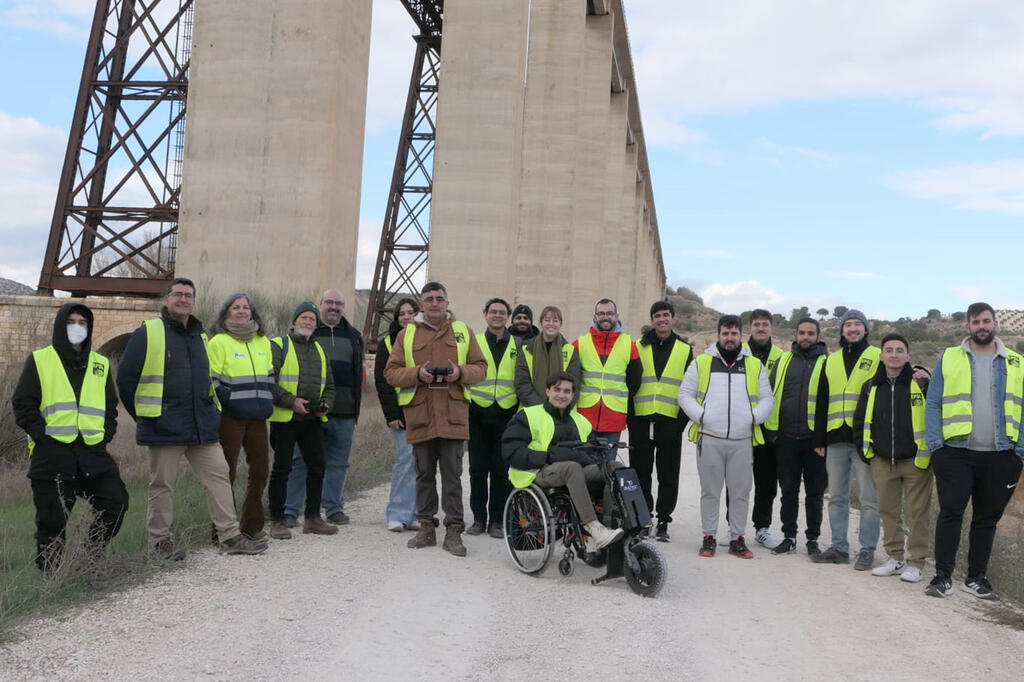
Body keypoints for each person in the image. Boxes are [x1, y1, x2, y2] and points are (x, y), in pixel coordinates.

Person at [117, 277, 267, 558]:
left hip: (201, 426)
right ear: (167, 299)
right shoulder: (149, 332)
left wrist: (212, 413)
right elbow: (126, 379)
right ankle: (160, 543)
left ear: (194, 301)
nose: (183, 299)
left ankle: (230, 536)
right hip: (164, 427)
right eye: (178, 295)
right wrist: (145, 417)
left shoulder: (199, 336)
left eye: (188, 295)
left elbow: (206, 380)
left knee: (220, 475)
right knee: (162, 485)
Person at [12, 302, 129, 572]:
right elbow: (23, 404)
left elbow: (110, 406)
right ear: (60, 325)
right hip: (51, 455)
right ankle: (52, 583)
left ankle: (88, 561)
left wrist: (105, 435)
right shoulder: (40, 360)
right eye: (71, 321)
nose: (77, 327)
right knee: (52, 524)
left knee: (116, 502)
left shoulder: (100, 364)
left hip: (92, 453)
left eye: (83, 323)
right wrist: (42, 436)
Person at [923, 302, 1024, 600]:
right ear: (967, 326)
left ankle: (976, 578)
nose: (982, 326)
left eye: (987, 321)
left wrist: (1020, 451)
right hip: (955, 452)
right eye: (976, 322)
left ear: (995, 324)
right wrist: (936, 445)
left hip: (1002, 454)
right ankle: (942, 576)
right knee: (951, 513)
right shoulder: (950, 357)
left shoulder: (1016, 361)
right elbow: (934, 401)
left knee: (987, 518)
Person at [384, 282, 487, 557]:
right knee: (424, 475)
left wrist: (460, 373)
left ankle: (454, 531)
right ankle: (426, 528)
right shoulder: (407, 335)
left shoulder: (464, 332)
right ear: (421, 304)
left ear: (447, 302)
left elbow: (481, 369)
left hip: (453, 416)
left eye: (439, 298)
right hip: (421, 415)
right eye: (429, 299)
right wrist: (417, 373)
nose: (434, 303)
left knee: (453, 476)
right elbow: (391, 373)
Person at [678, 314, 773, 559]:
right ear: (718, 335)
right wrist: (702, 416)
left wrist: (753, 418)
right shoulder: (701, 362)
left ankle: (737, 538)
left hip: (742, 439)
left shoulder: (754, 364)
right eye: (725, 334)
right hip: (710, 437)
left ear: (740, 335)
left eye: (734, 334)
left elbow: (767, 399)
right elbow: (685, 395)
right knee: (710, 492)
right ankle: (708, 537)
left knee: (740, 492)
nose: (729, 338)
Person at [501, 371, 624, 549]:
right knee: (571, 467)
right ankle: (594, 528)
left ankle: (610, 523)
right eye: (557, 390)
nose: (561, 395)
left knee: (613, 467)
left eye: (567, 391)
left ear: (573, 395)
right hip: (538, 471)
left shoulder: (581, 421)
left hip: (572, 474)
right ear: (547, 391)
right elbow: (511, 451)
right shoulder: (528, 415)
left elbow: (593, 455)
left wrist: (595, 455)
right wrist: (548, 456)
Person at [853, 333, 932, 584]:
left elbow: (933, 417)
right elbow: (859, 420)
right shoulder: (871, 386)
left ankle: (916, 562)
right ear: (882, 355)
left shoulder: (921, 384)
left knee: (917, 513)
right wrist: (866, 452)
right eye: (889, 350)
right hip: (882, 460)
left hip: (915, 460)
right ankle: (894, 557)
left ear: (908, 356)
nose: (894, 354)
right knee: (888, 511)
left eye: (900, 350)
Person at [284, 289, 365, 527]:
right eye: (329, 302)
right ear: (320, 304)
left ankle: (334, 508)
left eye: (338, 303)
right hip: (311, 412)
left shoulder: (353, 335)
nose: (334, 307)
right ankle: (291, 510)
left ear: (343, 307)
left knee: (339, 462)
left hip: (345, 411)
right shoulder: (308, 331)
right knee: (301, 461)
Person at [811, 309, 881, 570]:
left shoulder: (877, 356)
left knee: (868, 498)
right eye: (848, 325)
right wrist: (819, 438)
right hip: (835, 438)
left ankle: (867, 549)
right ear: (841, 330)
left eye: (857, 324)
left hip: (865, 438)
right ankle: (839, 547)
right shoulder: (831, 360)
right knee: (837, 496)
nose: (852, 329)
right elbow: (821, 400)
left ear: (865, 329)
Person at [267, 302, 337, 539]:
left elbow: (330, 385)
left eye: (312, 319)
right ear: (294, 320)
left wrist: (326, 404)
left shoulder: (320, 349)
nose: (308, 322)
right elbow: (270, 382)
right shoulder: (278, 345)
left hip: (312, 420)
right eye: (304, 318)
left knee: (318, 466)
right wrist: (291, 401)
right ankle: (277, 520)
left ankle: (313, 518)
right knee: (282, 469)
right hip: (285, 418)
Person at [207, 293, 274, 543]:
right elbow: (211, 380)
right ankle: (222, 532)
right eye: (236, 307)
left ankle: (251, 527)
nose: (242, 311)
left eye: (246, 307)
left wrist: (268, 400)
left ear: (252, 312)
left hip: (258, 417)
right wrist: (231, 401)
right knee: (227, 473)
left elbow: (269, 377)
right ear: (227, 313)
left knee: (260, 471)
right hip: (230, 418)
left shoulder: (262, 342)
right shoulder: (219, 342)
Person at [627, 300, 693, 542]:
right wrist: (630, 419)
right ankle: (644, 519)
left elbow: (690, 388)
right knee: (640, 473)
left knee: (668, 475)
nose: (662, 319)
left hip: (669, 423)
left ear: (673, 318)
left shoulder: (685, 350)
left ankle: (664, 520)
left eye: (666, 315)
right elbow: (629, 384)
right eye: (657, 316)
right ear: (652, 319)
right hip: (641, 422)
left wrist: (680, 422)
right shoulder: (637, 346)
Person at [763, 317, 828, 557]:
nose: (806, 337)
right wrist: (773, 434)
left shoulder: (827, 363)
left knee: (814, 494)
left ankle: (812, 540)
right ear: (795, 335)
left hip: (815, 441)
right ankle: (789, 536)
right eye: (802, 333)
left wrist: (823, 439)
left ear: (818, 337)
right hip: (786, 439)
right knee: (788, 491)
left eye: (811, 333)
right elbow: (769, 394)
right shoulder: (782, 361)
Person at [466, 297, 519, 538]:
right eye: (493, 311)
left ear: (507, 316)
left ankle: (497, 521)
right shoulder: (473, 342)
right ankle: (478, 519)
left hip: (506, 415)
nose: (497, 316)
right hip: (477, 413)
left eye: (502, 312)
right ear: (485, 314)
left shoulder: (518, 346)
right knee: (477, 470)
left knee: (500, 470)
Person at [376, 298, 421, 532]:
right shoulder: (387, 343)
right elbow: (382, 383)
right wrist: (391, 414)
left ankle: (413, 514)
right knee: (406, 460)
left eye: (410, 312)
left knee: (420, 463)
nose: (406, 317)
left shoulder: (424, 339)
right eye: (401, 314)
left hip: (422, 410)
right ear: (396, 318)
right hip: (401, 412)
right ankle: (397, 513)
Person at [574, 298, 641, 454]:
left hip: (614, 418)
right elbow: (571, 379)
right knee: (585, 469)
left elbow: (635, 381)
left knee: (608, 470)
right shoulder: (579, 344)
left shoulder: (629, 345)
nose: (605, 317)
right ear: (595, 316)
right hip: (585, 417)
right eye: (601, 313)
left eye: (610, 313)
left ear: (617, 316)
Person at [743, 309, 785, 548]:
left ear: (772, 328)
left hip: (770, 431)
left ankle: (762, 528)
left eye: (765, 324)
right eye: (757, 324)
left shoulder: (782, 357)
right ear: (750, 327)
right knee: (738, 483)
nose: (761, 328)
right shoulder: (739, 353)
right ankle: (734, 527)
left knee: (767, 484)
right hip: (741, 428)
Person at [514, 305, 581, 407]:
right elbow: (522, 384)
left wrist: (558, 408)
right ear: (541, 323)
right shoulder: (526, 349)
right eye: (547, 320)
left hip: (561, 412)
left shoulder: (570, 350)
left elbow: (574, 384)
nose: (551, 324)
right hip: (533, 411)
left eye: (555, 320)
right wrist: (542, 408)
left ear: (560, 324)